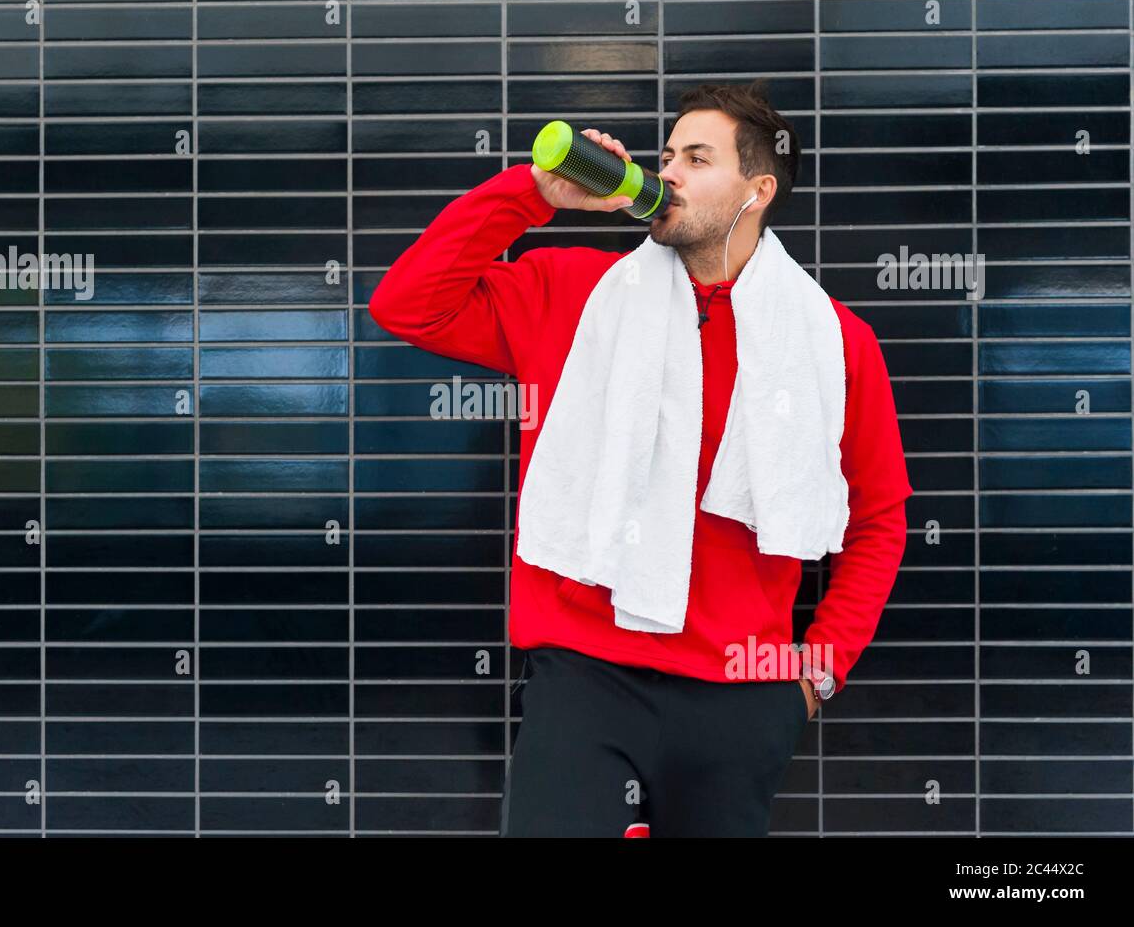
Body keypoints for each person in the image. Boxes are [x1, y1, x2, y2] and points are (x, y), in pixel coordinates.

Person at [368, 80, 914, 837]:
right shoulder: (575, 293)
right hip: (585, 684)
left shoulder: (834, 341)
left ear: (758, 189)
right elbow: (408, 303)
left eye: (697, 157)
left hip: (741, 695)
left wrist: (814, 676)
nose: (670, 174)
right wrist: (534, 194)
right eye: (667, 156)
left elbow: (881, 520)